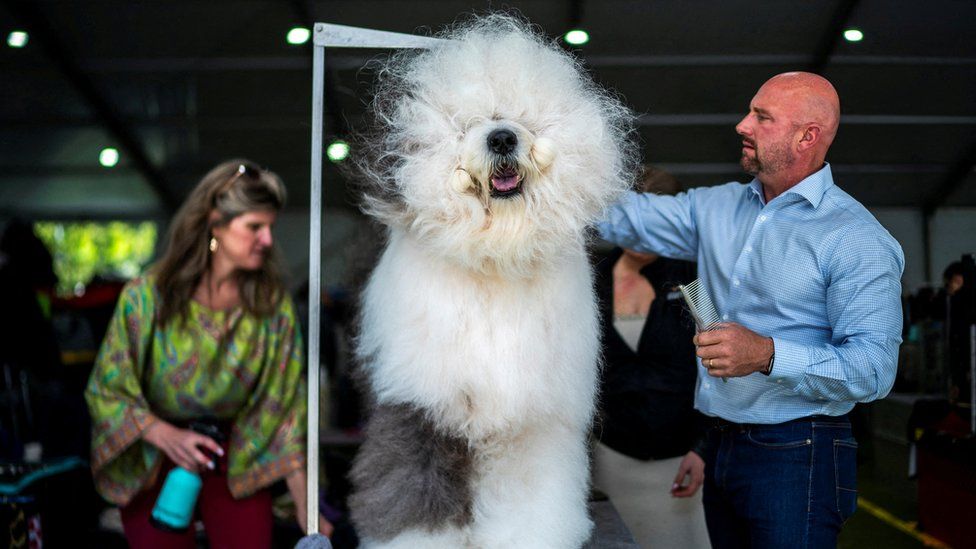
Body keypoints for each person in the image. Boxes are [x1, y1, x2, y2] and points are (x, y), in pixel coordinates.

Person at [597, 72, 904, 547]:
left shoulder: (855, 238)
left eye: (762, 117)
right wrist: (532, 171)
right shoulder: (716, 206)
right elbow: (621, 217)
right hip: (722, 442)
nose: (742, 125)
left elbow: (874, 369)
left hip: (798, 451)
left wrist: (766, 354)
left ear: (807, 137)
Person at [85, 160, 333, 548]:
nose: (268, 240)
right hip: (155, 452)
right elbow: (106, 389)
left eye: (270, 226)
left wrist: (305, 501)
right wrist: (164, 435)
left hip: (238, 456)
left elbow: (284, 409)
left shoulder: (271, 307)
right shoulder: (146, 297)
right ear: (216, 223)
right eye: (255, 226)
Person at [591, 167, 709, 547]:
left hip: (682, 461)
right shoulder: (591, 280)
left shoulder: (695, 280)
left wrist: (704, 448)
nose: (641, 235)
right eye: (632, 223)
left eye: (653, 224)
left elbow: (723, 370)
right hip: (609, 458)